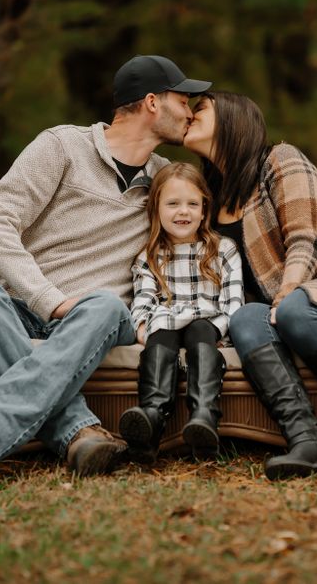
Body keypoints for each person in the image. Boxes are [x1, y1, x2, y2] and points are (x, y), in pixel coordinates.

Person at [0, 55, 211, 493]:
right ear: (153, 102)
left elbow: (191, 245)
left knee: (104, 303)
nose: (190, 110)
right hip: (23, 307)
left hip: (98, 317)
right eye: (183, 99)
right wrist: (49, 299)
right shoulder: (62, 147)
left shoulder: (163, 183)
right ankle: (78, 431)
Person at [181, 91, 317, 479]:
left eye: (200, 107)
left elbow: (306, 238)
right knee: (244, 320)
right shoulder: (211, 191)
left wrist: (289, 287)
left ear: (233, 119)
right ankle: (308, 440)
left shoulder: (280, 160)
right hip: (275, 309)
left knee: (292, 309)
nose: (189, 114)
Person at [119, 162, 243, 462]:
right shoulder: (149, 256)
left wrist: (227, 330)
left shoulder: (222, 249)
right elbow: (143, 302)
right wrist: (140, 327)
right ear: (156, 210)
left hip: (208, 322)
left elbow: (233, 302)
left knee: (199, 329)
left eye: (192, 204)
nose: (183, 212)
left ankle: (203, 415)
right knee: (160, 334)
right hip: (167, 323)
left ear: (204, 209)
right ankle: (152, 415)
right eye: (173, 204)